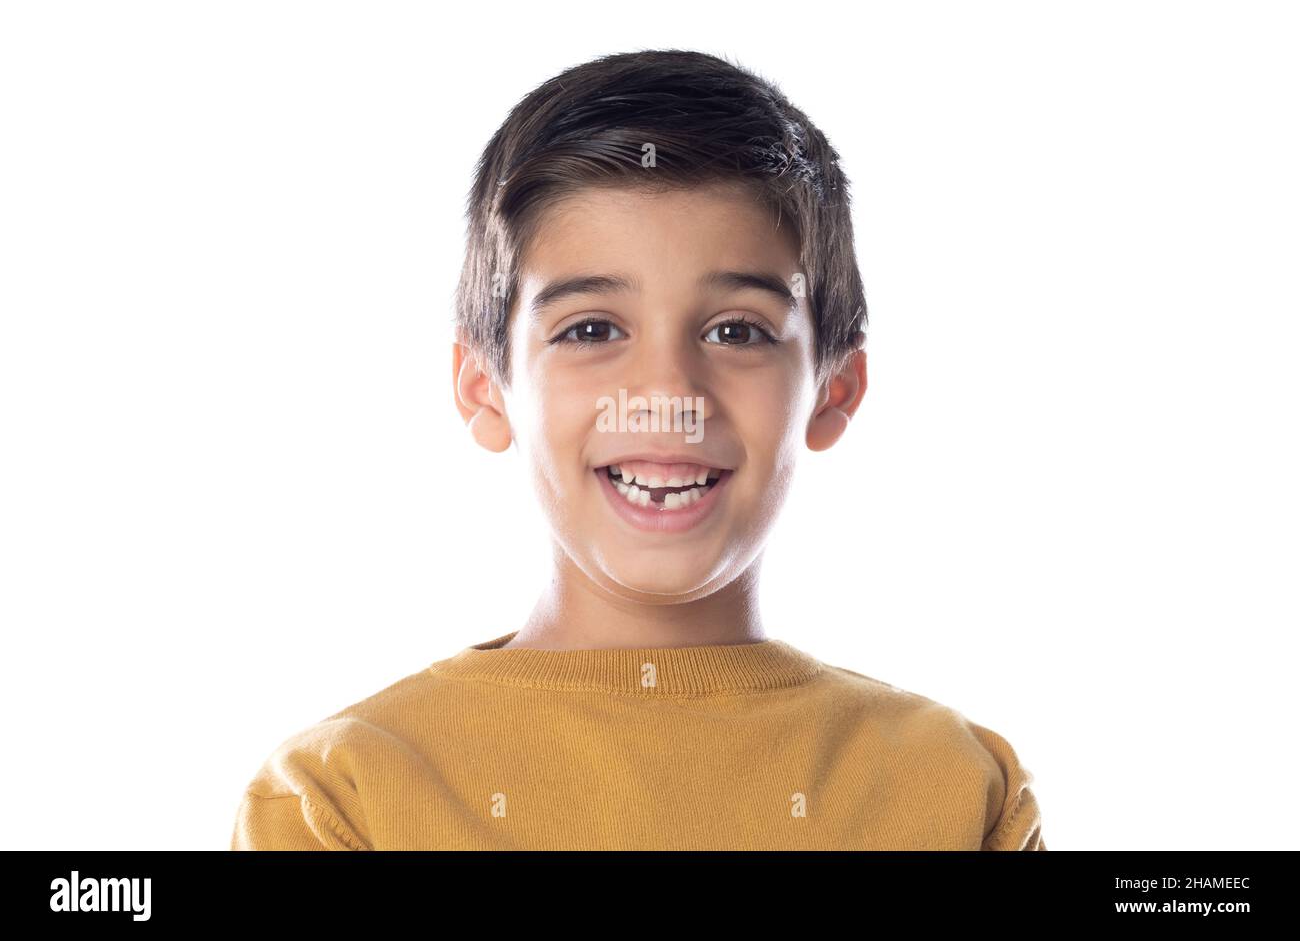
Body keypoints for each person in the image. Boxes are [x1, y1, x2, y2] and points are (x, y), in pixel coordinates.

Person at [230, 48, 1046, 850]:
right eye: (591, 329)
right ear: (484, 386)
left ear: (833, 389)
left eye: (737, 331)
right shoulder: (344, 799)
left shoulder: (954, 791)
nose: (665, 395)